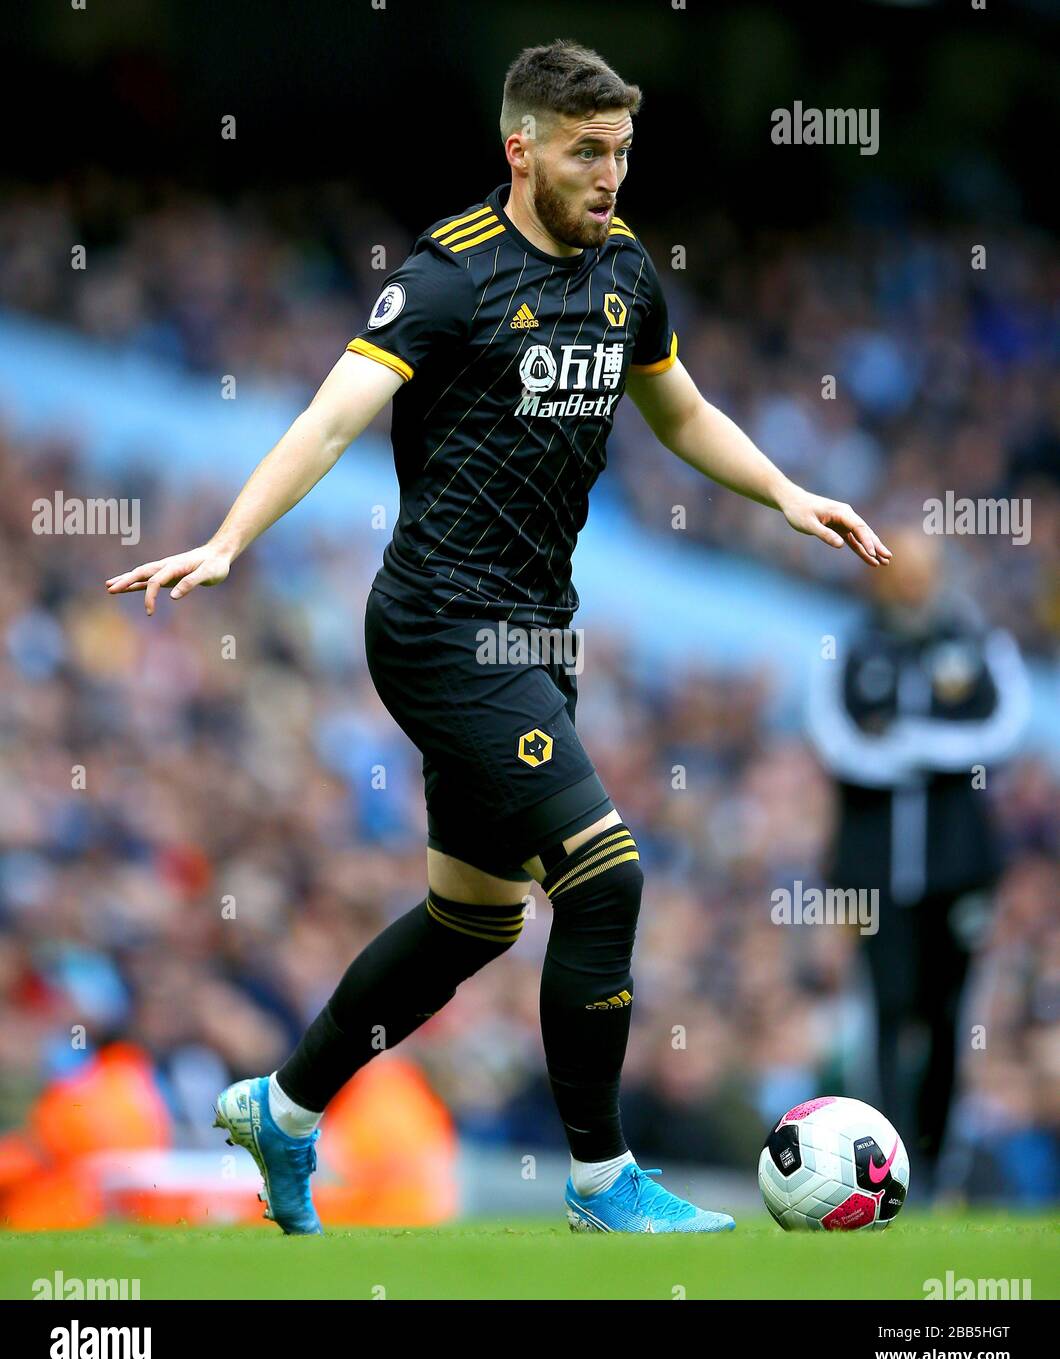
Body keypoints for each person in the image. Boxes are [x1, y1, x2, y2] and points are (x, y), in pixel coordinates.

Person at [106, 39, 890, 1235]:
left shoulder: (626, 269)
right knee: (606, 872)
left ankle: (284, 1108)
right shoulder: (449, 274)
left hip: (538, 633)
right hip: (440, 623)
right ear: (520, 150)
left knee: (473, 917)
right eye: (587, 152)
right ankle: (597, 1181)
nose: (610, 175)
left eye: (622, 152)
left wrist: (784, 493)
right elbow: (329, 421)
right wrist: (228, 540)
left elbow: (676, 405)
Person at [807, 526, 1029, 1196]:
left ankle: (935, 1166)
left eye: (922, 571)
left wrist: (911, 744)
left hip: (957, 869)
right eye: (898, 570)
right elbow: (837, 742)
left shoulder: (980, 645)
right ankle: (882, 1166)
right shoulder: (848, 645)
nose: (909, 583)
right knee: (882, 1007)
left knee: (948, 1013)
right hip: (871, 872)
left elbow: (1005, 730)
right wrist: (924, 754)